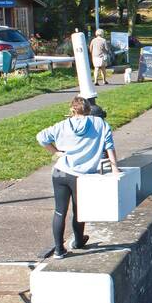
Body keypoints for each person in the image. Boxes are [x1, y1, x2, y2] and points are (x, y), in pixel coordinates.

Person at [36, 97, 120, 260]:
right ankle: (79, 241)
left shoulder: (62, 125)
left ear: (72, 110)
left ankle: (59, 250)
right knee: (79, 210)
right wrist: (115, 167)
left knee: (60, 211)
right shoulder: (100, 124)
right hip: (81, 176)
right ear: (88, 110)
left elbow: (41, 138)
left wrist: (55, 152)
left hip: (60, 171)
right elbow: (109, 146)